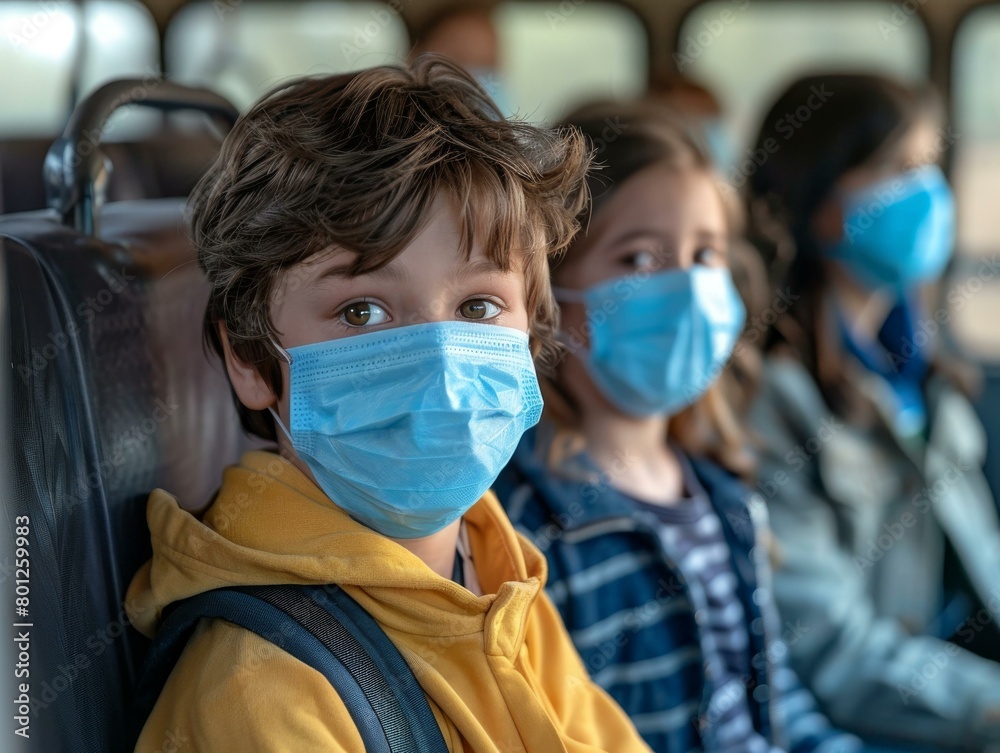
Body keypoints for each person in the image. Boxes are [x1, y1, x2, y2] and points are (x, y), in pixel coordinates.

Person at [124, 56, 652, 753]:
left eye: (478, 305)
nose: (438, 361)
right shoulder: (263, 694)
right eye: (363, 311)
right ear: (251, 362)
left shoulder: (492, 567)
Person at [492, 100, 860, 753]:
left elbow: (773, 701)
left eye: (705, 254)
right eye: (637, 260)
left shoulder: (726, 495)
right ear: (549, 291)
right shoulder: (524, 530)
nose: (686, 287)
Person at [745, 73, 1000, 750]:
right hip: (883, 722)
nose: (928, 193)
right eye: (898, 168)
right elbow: (832, 650)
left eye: (929, 164)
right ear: (819, 199)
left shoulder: (920, 361)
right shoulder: (776, 398)